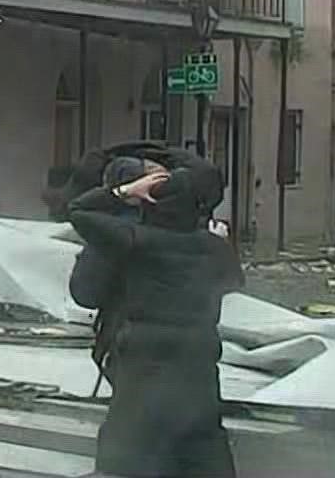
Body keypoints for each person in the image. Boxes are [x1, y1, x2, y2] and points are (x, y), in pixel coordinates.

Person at [69, 154, 243, 477]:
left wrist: (121, 193)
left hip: (140, 365)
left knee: (130, 455)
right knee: (199, 450)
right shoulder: (211, 247)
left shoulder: (130, 239)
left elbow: (78, 214)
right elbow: (233, 280)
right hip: (197, 369)